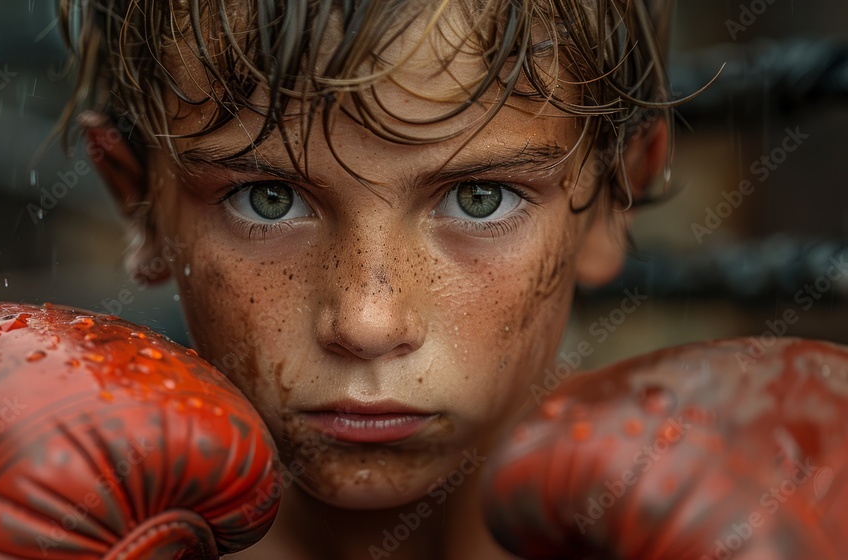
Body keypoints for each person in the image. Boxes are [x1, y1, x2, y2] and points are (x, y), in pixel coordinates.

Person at [54, 1, 677, 558]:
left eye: (479, 198)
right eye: (267, 198)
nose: (367, 324)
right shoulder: (82, 526)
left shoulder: (682, 524)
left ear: (612, 201)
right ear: (138, 200)